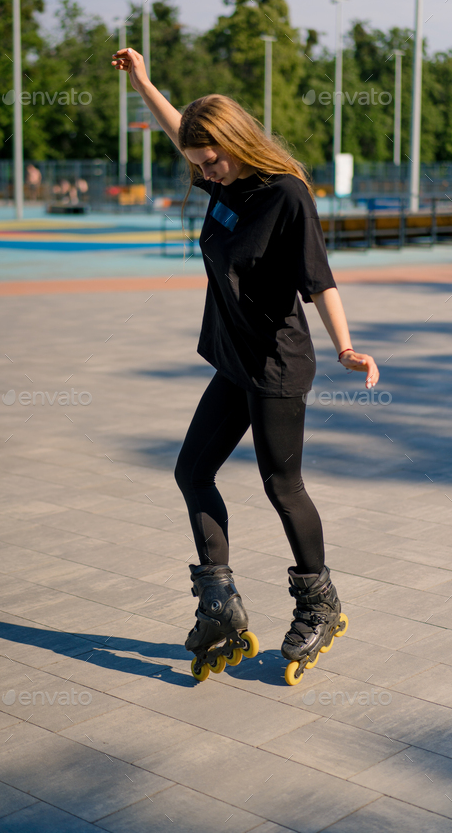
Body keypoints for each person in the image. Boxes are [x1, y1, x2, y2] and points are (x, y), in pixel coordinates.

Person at [112, 47, 379, 686]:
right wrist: (145, 81)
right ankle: (219, 602)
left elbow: (319, 280)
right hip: (233, 361)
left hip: (278, 366)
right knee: (191, 470)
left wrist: (346, 347)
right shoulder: (222, 179)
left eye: (211, 161)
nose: (207, 173)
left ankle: (321, 601)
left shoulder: (285, 195)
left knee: (281, 486)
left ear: (235, 144)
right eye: (199, 164)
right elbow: (182, 129)